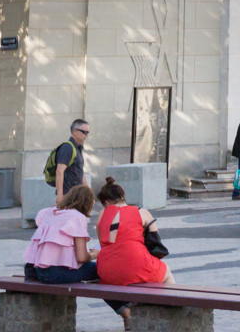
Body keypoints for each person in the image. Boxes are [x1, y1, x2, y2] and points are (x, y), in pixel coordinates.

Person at [24, 186, 127, 318]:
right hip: (56, 274)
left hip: (37, 272)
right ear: (87, 204)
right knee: (103, 271)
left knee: (97, 272)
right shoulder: (77, 217)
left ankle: (125, 311)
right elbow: (82, 257)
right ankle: (125, 312)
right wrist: (95, 254)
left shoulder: (50, 212)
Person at [96, 177, 173, 326]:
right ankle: (171, 314)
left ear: (106, 202)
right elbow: (156, 244)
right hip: (135, 264)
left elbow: (103, 243)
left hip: (106, 270)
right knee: (166, 272)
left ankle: (128, 318)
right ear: (123, 196)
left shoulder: (102, 214)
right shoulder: (141, 212)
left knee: (108, 282)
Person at [49, 119, 91, 199]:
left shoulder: (77, 148)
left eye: (88, 132)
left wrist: (89, 195)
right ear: (75, 131)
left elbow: (81, 173)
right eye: (84, 132)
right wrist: (60, 195)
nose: (87, 135)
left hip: (77, 194)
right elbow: (59, 171)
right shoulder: (67, 148)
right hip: (68, 195)